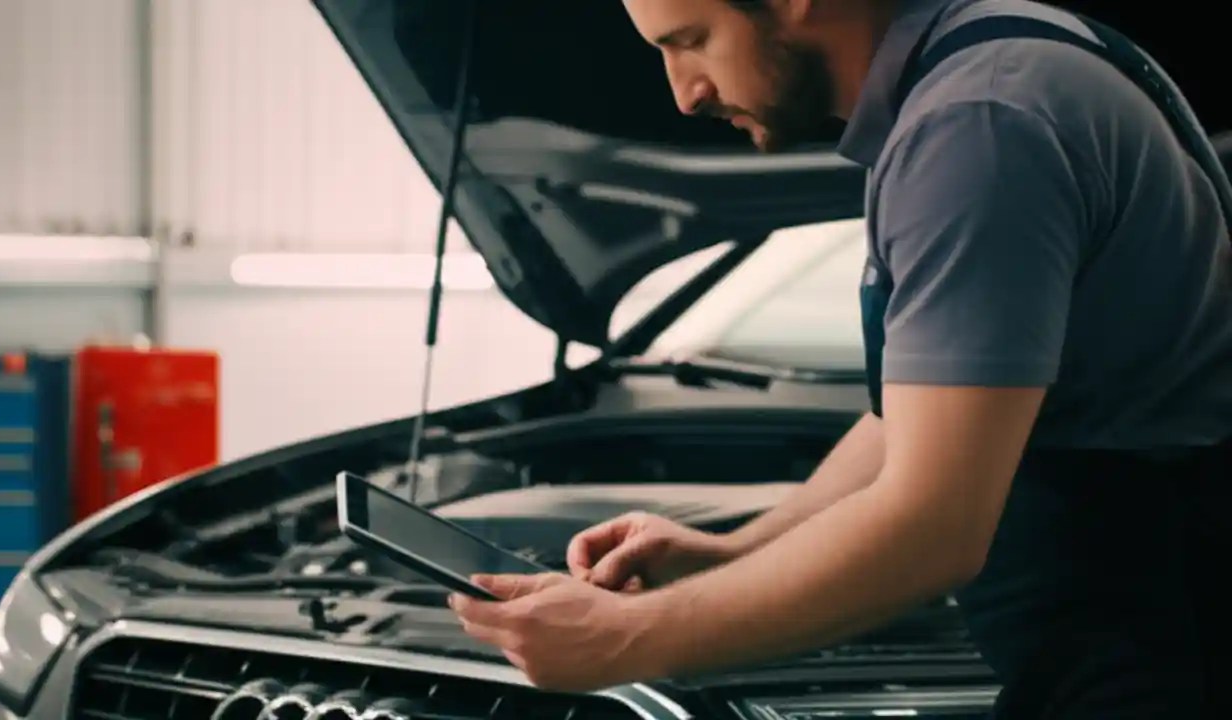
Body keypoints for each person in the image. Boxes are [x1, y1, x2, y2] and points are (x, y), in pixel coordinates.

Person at [448, 0, 1232, 716]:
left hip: (1159, 660)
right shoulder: (991, 60)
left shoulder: (977, 126)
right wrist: (735, 551)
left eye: (692, 41)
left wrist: (625, 639)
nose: (684, 93)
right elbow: (918, 416)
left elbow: (931, 529)